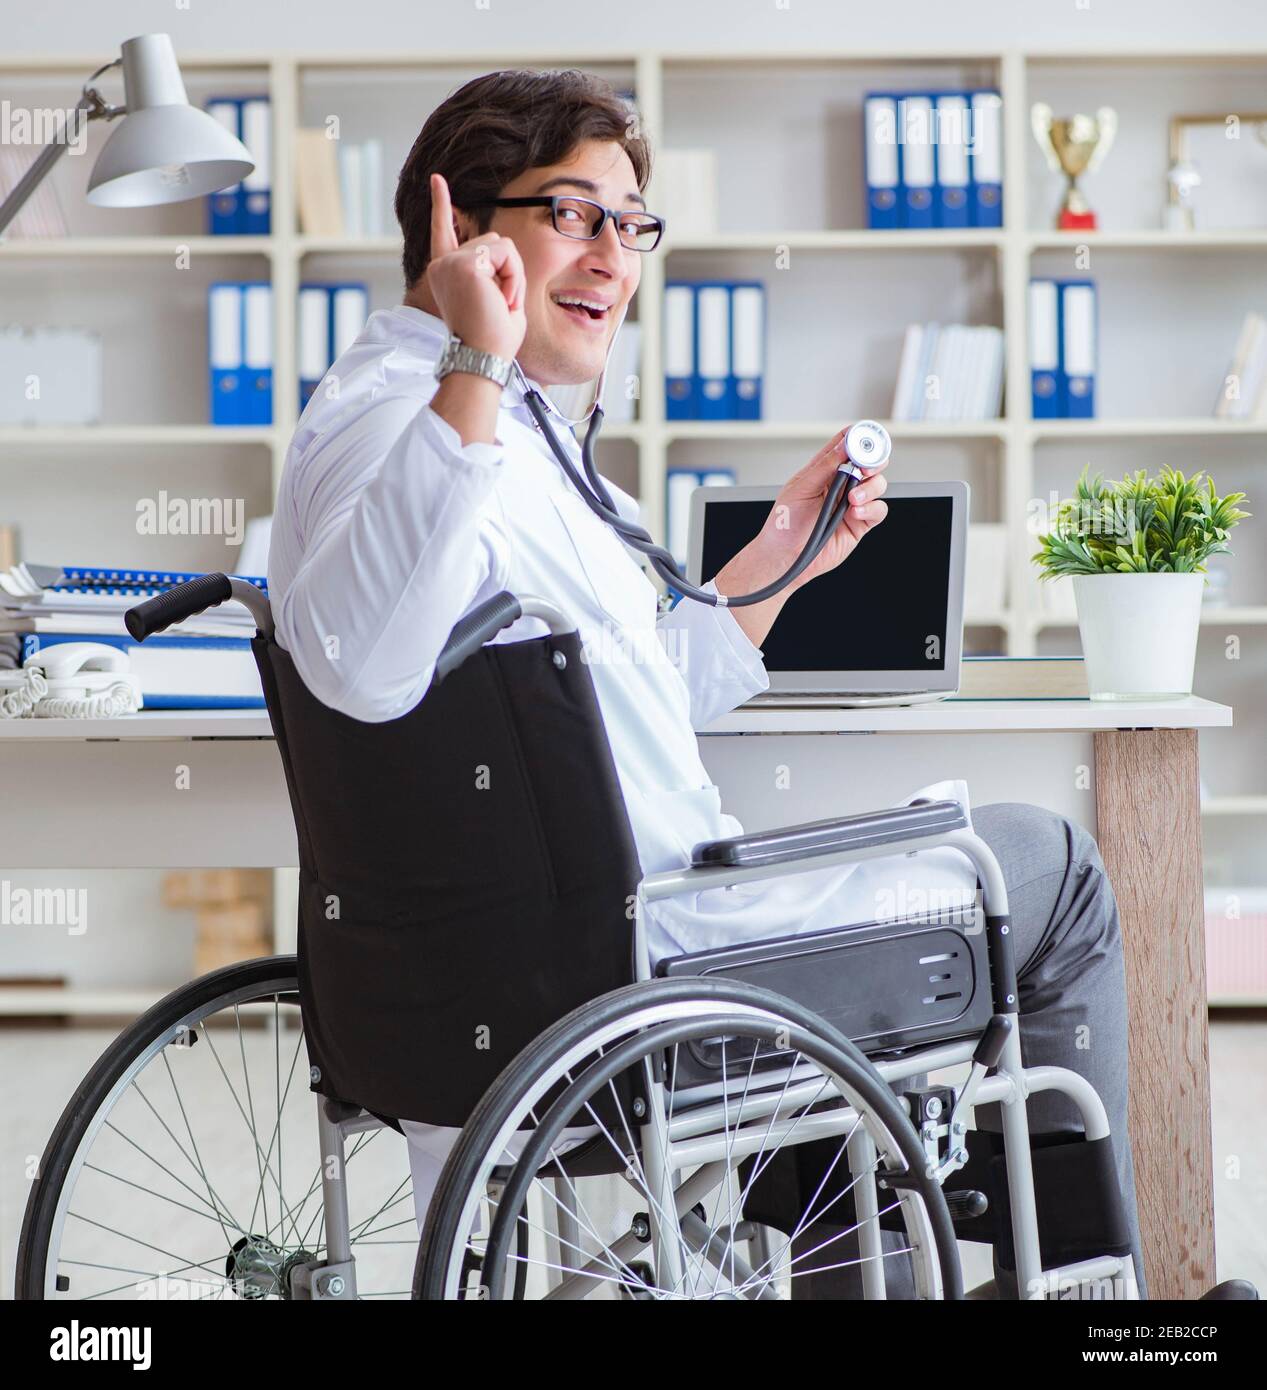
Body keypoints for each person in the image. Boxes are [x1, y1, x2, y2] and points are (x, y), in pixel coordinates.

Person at [269, 67, 1148, 1298]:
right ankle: (1074, 1285)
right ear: (453, 221)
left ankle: (895, 1266)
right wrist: (476, 355)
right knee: (1051, 869)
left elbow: (625, 699)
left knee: (840, 966)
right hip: (635, 970)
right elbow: (365, 664)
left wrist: (779, 558)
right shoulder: (428, 413)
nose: (612, 260)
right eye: (573, 214)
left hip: (547, 971)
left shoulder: (487, 425)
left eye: (632, 226)